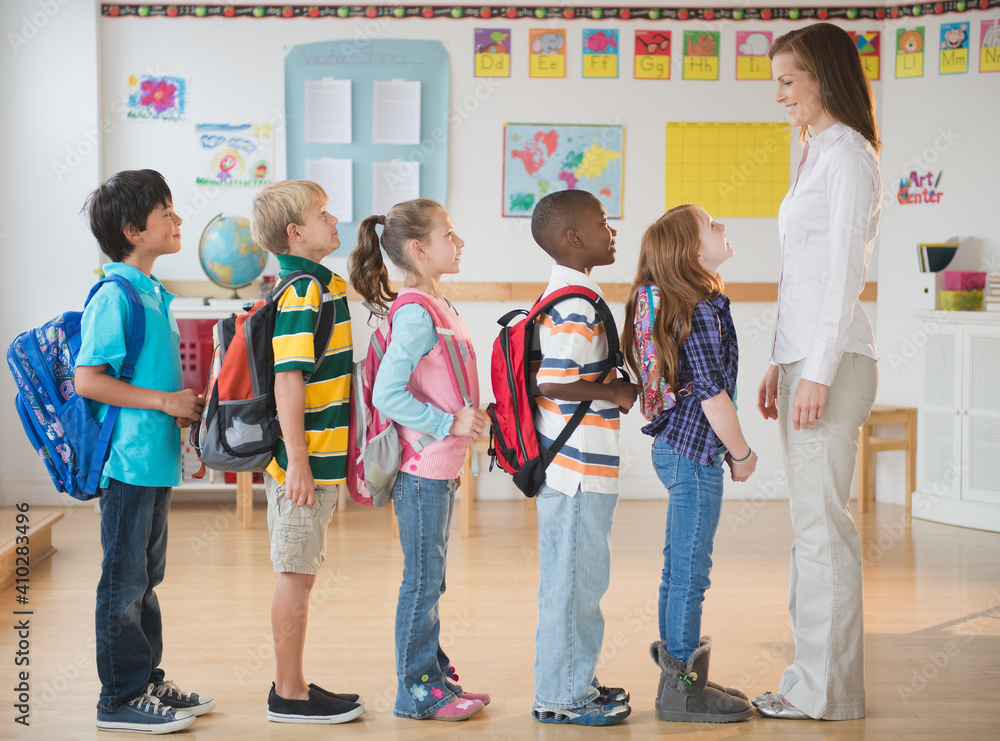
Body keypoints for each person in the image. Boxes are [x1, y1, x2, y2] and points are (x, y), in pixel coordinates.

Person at [754, 23, 882, 721]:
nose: (779, 96)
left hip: (833, 362)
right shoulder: (815, 152)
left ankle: (826, 692)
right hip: (807, 357)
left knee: (823, 529)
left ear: (822, 77)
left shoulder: (849, 157)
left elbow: (841, 275)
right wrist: (784, 361)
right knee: (810, 527)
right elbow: (796, 277)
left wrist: (818, 370)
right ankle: (813, 682)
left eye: (787, 81)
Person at [76, 169, 211, 734]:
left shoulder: (153, 293)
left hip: (152, 461)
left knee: (146, 576)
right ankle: (120, 698)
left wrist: (181, 408)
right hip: (127, 461)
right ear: (135, 229)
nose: (179, 220)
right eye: (167, 213)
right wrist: (164, 402)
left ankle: (145, 678)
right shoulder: (116, 294)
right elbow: (88, 379)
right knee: (124, 578)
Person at [348, 199, 490, 722]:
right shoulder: (415, 311)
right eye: (449, 235)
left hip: (440, 468)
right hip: (422, 469)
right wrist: (446, 423)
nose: (459, 243)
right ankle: (416, 691)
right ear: (418, 249)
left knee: (432, 578)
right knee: (423, 581)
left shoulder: (437, 304)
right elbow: (389, 392)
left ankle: (434, 674)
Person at [621, 205, 755, 723]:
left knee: (680, 572)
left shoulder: (689, 302)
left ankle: (679, 680)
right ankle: (682, 690)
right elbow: (712, 393)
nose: (724, 226)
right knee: (689, 576)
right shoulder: (695, 307)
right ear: (693, 251)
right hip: (694, 455)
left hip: (680, 450)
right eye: (712, 225)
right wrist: (741, 454)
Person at [250, 180, 364, 724]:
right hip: (305, 459)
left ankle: (292, 685)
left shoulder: (321, 284)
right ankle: (288, 693)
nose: (333, 219)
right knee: (295, 573)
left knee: (303, 571)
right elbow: (288, 378)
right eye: (323, 214)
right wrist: (297, 458)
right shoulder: (302, 291)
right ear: (296, 234)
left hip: (318, 456)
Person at [526, 190, 637, 726]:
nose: (611, 230)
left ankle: (571, 679)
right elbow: (554, 379)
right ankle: (562, 697)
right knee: (576, 588)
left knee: (571, 583)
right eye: (602, 222)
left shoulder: (570, 294)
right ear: (573, 238)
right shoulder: (575, 302)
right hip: (575, 470)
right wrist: (613, 393)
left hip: (569, 467)